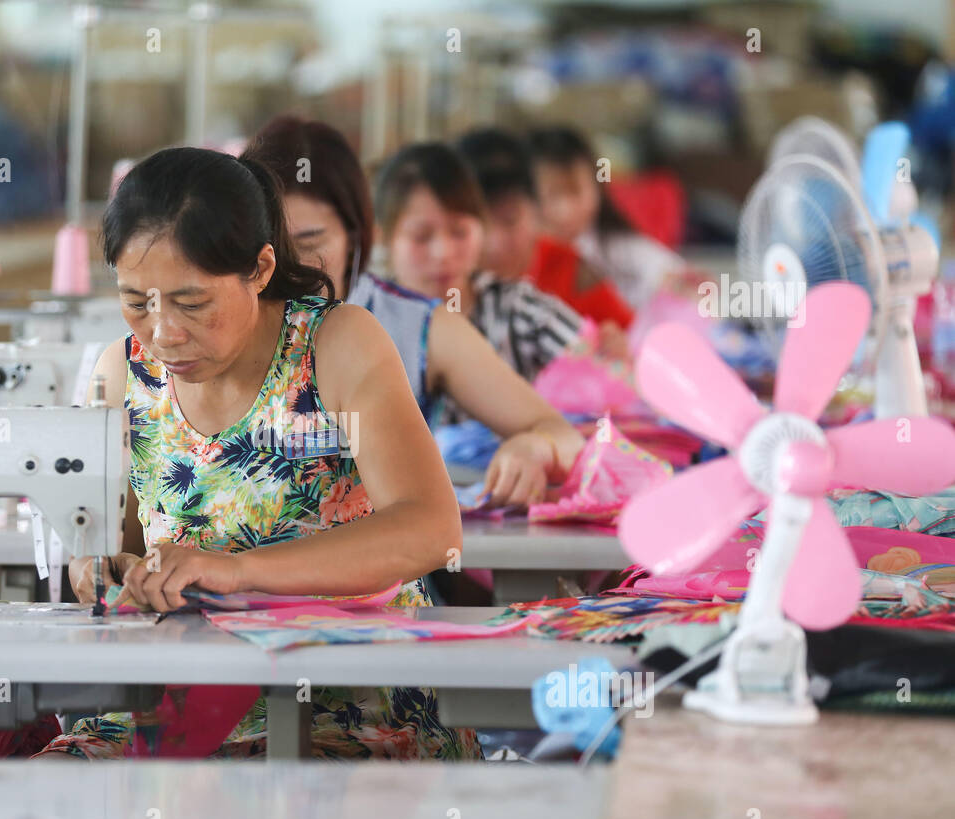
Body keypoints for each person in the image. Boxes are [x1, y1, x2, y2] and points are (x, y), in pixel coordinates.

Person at [35, 146, 478, 761]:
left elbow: (431, 527)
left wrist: (235, 570)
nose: (163, 331)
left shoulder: (335, 344)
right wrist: (103, 572)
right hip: (182, 706)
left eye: (192, 303)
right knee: (47, 798)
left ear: (262, 267)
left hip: (350, 704)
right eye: (137, 302)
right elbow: (111, 545)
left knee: (249, 811)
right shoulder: (122, 373)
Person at [242, 116, 583, 507]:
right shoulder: (214, 324)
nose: (285, 265)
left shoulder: (419, 326)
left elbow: (561, 433)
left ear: (357, 233)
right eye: (268, 246)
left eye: (310, 241)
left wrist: (534, 448)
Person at [373, 141, 621, 390]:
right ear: (383, 238)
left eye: (459, 232)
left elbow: (612, 377)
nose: (443, 253)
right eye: (421, 236)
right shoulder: (364, 326)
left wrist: (613, 360)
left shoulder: (523, 314)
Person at [456, 127, 634, 352]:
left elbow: (632, 338)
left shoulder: (575, 275)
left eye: (510, 220)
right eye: (479, 225)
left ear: (537, 210)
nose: (496, 243)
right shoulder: (445, 285)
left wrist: (617, 347)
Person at [527, 125, 687, 313]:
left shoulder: (617, 245)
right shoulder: (522, 253)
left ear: (598, 186)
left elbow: (679, 276)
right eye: (552, 195)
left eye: (576, 192)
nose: (565, 209)